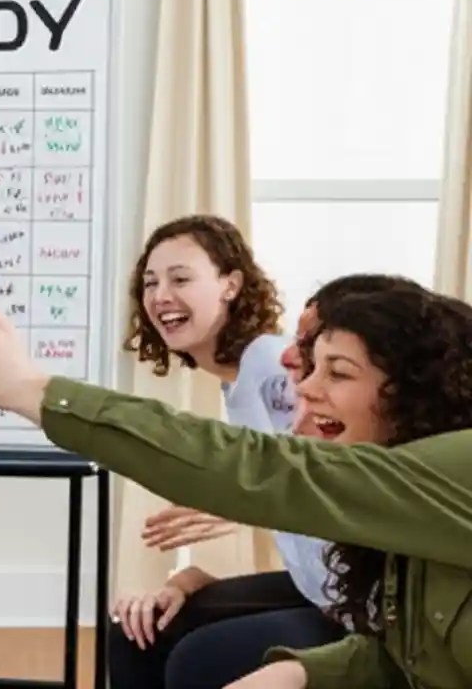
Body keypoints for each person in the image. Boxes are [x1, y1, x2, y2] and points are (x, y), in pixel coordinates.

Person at [0, 288, 472, 688]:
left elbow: (256, 468)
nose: (305, 387)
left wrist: (35, 393)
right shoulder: (405, 513)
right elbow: (405, 656)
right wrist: (297, 673)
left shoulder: (452, 472)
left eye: (335, 372)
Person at [110, 215, 313, 687]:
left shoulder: (269, 364)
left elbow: (322, 479)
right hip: (312, 588)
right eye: (150, 282)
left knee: (197, 658)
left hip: (354, 603)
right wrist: (189, 581)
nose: (161, 296)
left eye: (180, 279)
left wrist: (238, 503)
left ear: (230, 284)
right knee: (138, 632)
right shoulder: (239, 380)